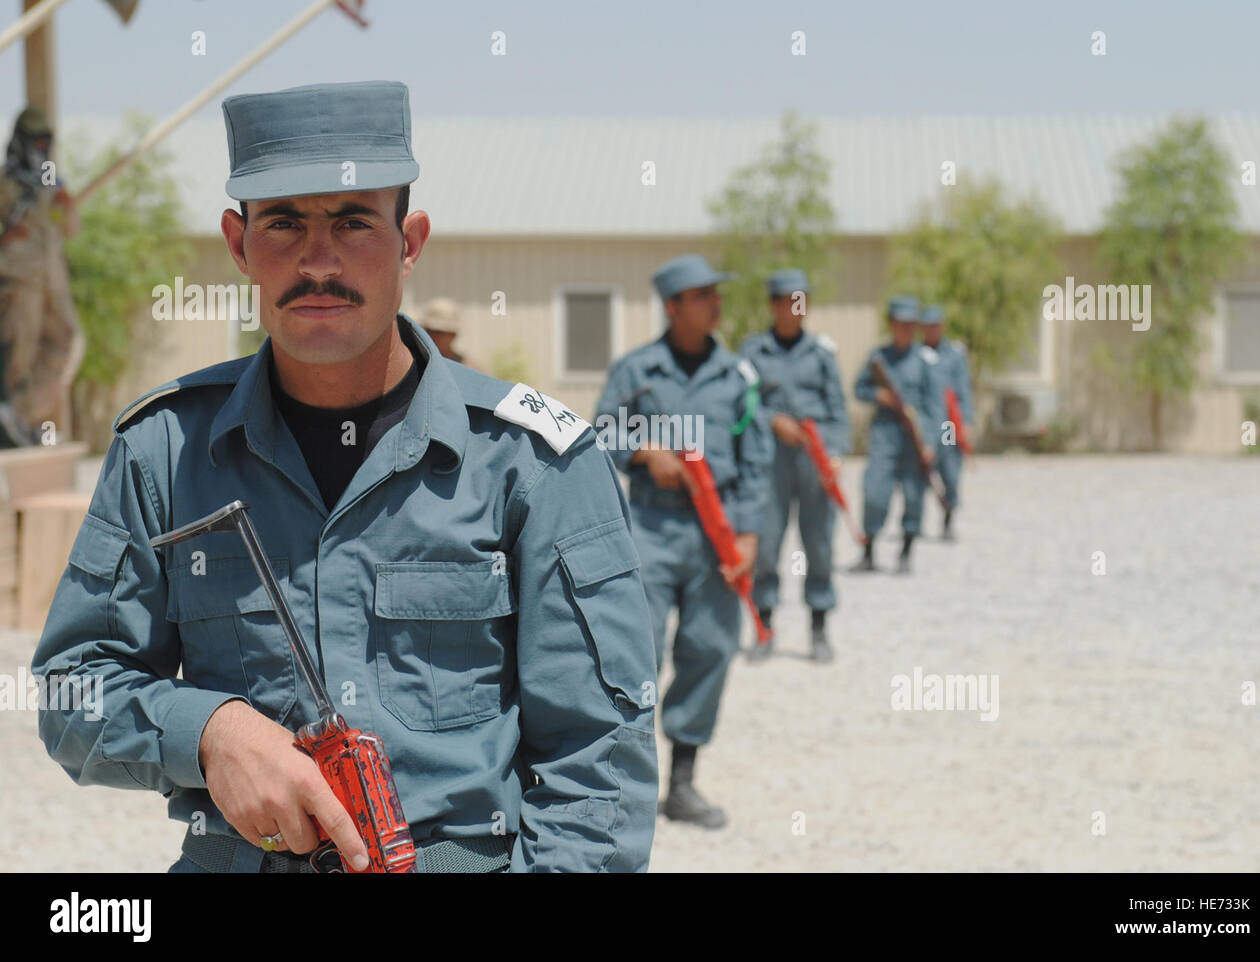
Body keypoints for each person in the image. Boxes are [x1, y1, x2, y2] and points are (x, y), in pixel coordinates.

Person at [30, 80, 658, 873]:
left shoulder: (531, 464)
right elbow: (68, 693)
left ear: (411, 240)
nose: (316, 261)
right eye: (283, 223)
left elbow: (599, 761)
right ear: (237, 242)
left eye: (354, 221)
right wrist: (210, 731)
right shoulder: (165, 451)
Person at [594, 253, 772, 829]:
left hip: (715, 531)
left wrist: (747, 537)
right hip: (651, 525)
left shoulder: (739, 375)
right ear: (673, 306)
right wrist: (647, 453)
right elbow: (599, 431)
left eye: (717, 294)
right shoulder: (637, 368)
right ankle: (622, 785)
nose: (716, 304)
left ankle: (684, 783)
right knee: (636, 651)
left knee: (712, 647)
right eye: (703, 296)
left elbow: (755, 459)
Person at [738, 268, 848, 663]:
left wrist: (834, 454)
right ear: (774, 305)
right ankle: (764, 629)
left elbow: (837, 408)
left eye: (803, 300)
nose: (797, 309)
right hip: (769, 459)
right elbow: (740, 403)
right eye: (789, 300)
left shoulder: (821, 353)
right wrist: (772, 420)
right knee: (766, 543)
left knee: (817, 543)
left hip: (813, 456)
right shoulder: (752, 352)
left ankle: (819, 629)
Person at [0, 106, 83, 445]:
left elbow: (72, 231)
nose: (39, 147)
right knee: (19, 352)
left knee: (68, 342)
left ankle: (22, 415)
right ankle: (12, 425)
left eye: (44, 140)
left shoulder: (51, 182)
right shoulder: (5, 183)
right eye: (33, 140)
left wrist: (69, 206)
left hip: (53, 280)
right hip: (19, 279)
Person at [849, 294, 943, 575]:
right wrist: (879, 395)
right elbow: (858, 389)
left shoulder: (925, 361)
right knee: (874, 492)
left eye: (909, 324)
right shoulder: (878, 358)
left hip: (915, 438)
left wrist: (932, 441)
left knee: (914, 496)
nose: (905, 329)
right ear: (891, 324)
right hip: (885, 434)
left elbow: (936, 405)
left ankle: (905, 553)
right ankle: (869, 552)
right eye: (899, 323)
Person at [918, 304, 973, 539]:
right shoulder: (916, 354)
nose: (932, 330)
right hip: (925, 424)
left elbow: (963, 389)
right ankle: (913, 523)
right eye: (928, 326)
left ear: (942, 327)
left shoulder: (954, 354)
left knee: (950, 472)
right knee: (920, 474)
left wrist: (967, 422)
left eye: (936, 326)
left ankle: (948, 520)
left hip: (949, 425)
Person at [413, 295, 477, 370]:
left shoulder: (469, 368)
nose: (432, 336)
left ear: (453, 335)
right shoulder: (414, 366)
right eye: (428, 331)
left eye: (438, 332)